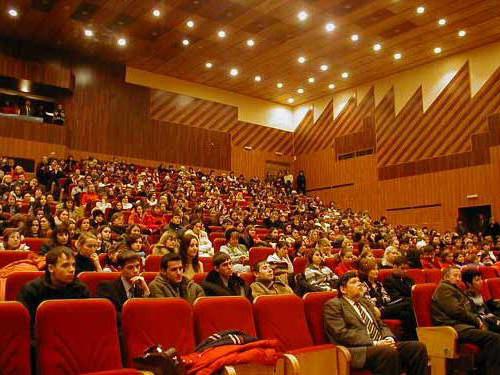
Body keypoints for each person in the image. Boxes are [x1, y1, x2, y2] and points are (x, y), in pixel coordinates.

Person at [324, 272, 428, 374]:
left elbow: (381, 324)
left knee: (417, 348)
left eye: (359, 281)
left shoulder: (364, 302)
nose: (359, 284)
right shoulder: (334, 305)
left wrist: (389, 338)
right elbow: (341, 334)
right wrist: (375, 343)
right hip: (358, 350)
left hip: (381, 344)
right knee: (388, 352)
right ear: (343, 289)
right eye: (354, 282)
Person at [432, 266, 500, 375]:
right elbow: (456, 311)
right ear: (445, 277)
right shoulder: (444, 289)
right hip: (453, 327)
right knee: (494, 338)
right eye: (455, 275)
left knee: (495, 332)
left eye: (459, 276)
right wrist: (477, 321)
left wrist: (479, 318)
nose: (458, 278)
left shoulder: (454, 288)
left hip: (464, 324)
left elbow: (470, 309)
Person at [18, 246, 90, 323]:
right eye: (65, 265)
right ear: (51, 268)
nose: (72, 270)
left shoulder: (80, 288)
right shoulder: (31, 290)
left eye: (73, 265)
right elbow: (25, 324)